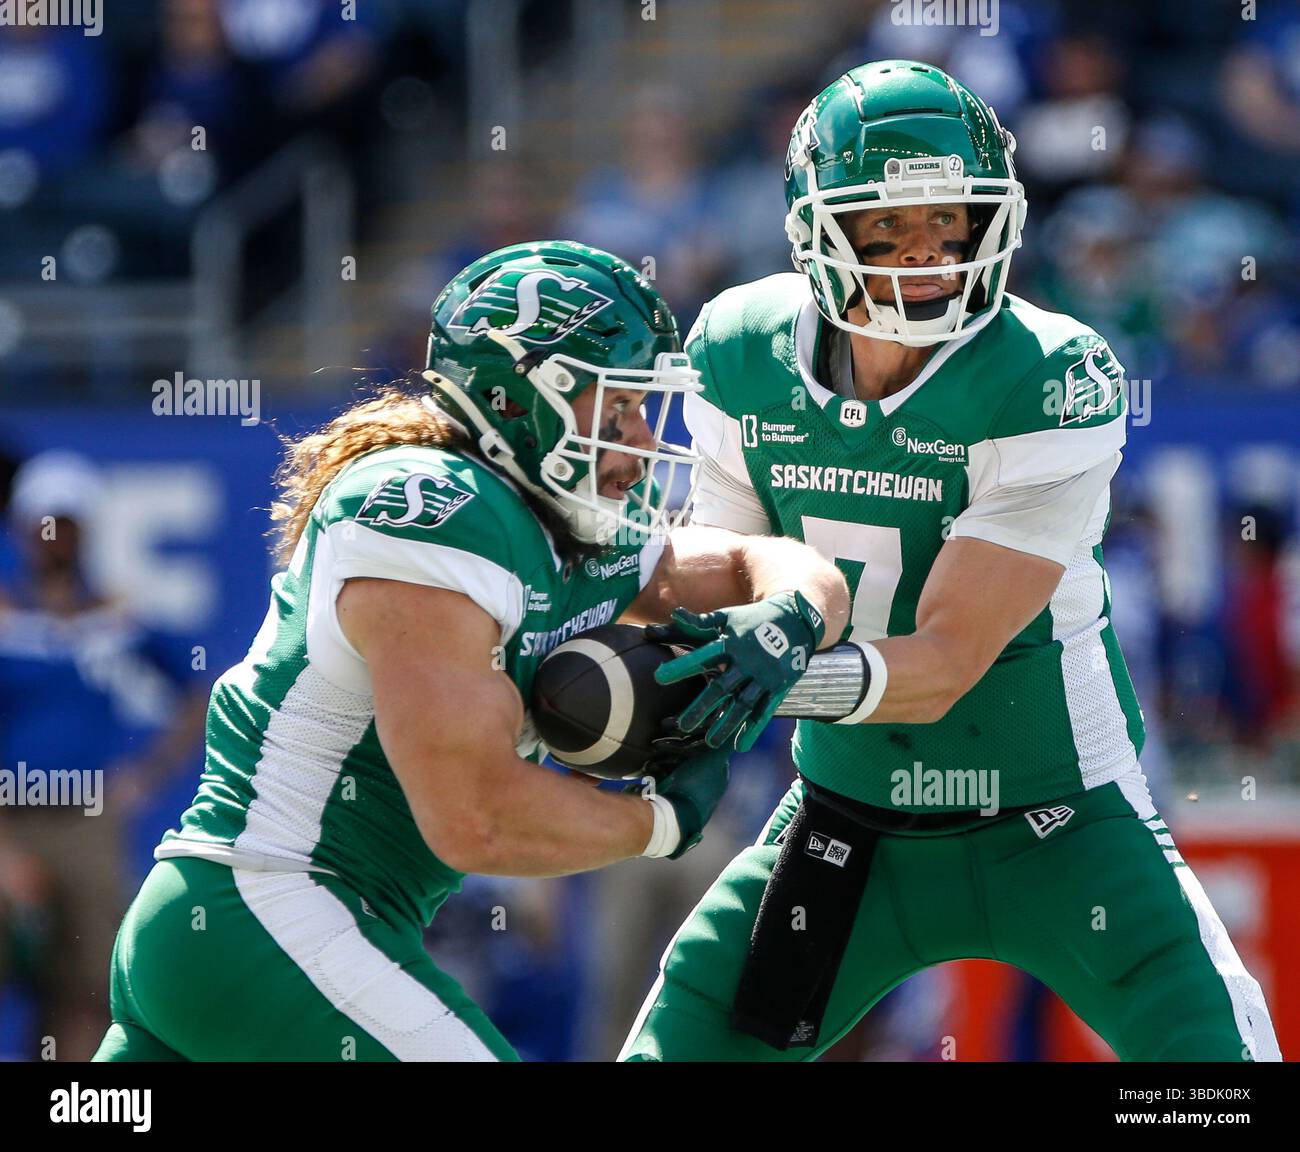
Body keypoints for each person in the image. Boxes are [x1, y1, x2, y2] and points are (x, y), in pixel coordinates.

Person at [619, 61, 1281, 1062]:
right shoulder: (738, 348)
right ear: (814, 230)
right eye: (886, 227)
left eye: (950, 221)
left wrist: (772, 674)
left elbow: (944, 659)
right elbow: (727, 567)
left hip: (1060, 823)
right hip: (846, 826)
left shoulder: (1049, 375)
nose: (926, 254)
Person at [93, 240, 848, 1061]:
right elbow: (475, 819)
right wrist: (661, 821)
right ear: (522, 398)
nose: (639, 439)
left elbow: (754, 561)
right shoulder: (432, 507)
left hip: (263, 938)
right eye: (617, 408)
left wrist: (793, 619)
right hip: (266, 909)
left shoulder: (572, 532)